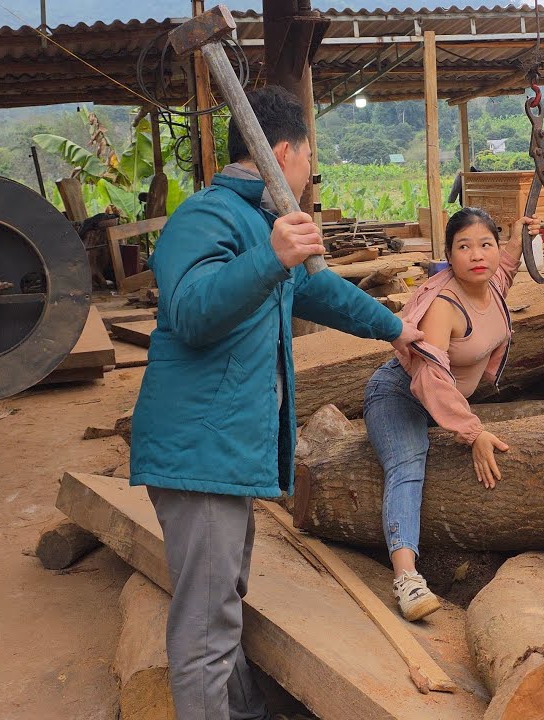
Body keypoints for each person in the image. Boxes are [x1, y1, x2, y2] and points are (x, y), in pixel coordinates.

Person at [128, 85, 424, 720]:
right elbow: (190, 312)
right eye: (310, 156)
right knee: (207, 625)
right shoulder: (207, 218)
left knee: (224, 597)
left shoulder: (262, 225)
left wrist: (394, 329)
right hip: (198, 448)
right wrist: (269, 258)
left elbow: (319, 293)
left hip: (225, 451)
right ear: (283, 152)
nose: (311, 172)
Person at [363, 208, 539, 621]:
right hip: (401, 396)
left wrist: (515, 241)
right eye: (464, 247)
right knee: (408, 463)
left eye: (486, 244)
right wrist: (472, 431)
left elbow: (506, 271)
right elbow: (430, 378)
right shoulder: (444, 305)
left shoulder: (491, 282)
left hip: (444, 407)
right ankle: (407, 579)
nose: (477, 255)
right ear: (448, 254)